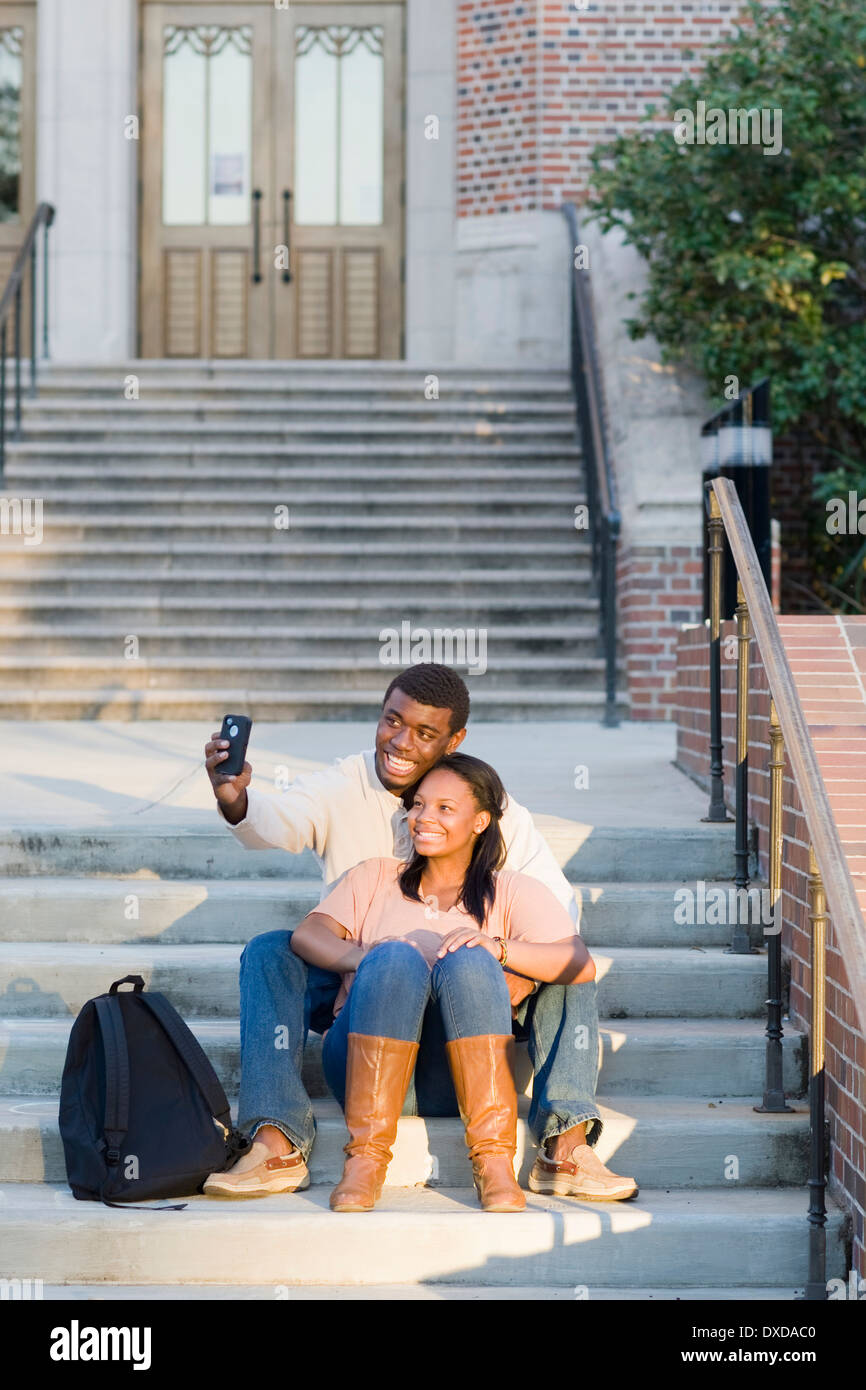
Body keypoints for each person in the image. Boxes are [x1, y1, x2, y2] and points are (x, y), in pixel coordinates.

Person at [202, 663, 637, 1202]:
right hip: (363, 993)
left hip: (470, 1010)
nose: (401, 741)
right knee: (276, 951)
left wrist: (504, 961)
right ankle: (276, 1141)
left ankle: (566, 1144)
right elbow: (279, 821)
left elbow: (563, 930)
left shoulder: (501, 828)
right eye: (392, 721)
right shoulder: (353, 807)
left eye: (425, 733)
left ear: (454, 742)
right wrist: (235, 799)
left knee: (558, 969)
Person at [291, 754, 596, 1213]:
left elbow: (579, 963)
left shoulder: (511, 890)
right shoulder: (376, 876)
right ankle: (364, 1162)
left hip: (455, 1079)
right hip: (360, 1066)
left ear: (480, 822)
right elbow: (307, 935)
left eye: (444, 809)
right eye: (417, 806)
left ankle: (494, 1162)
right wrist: (365, 959)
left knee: (471, 954)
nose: (423, 818)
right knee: (394, 954)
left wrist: (499, 949)